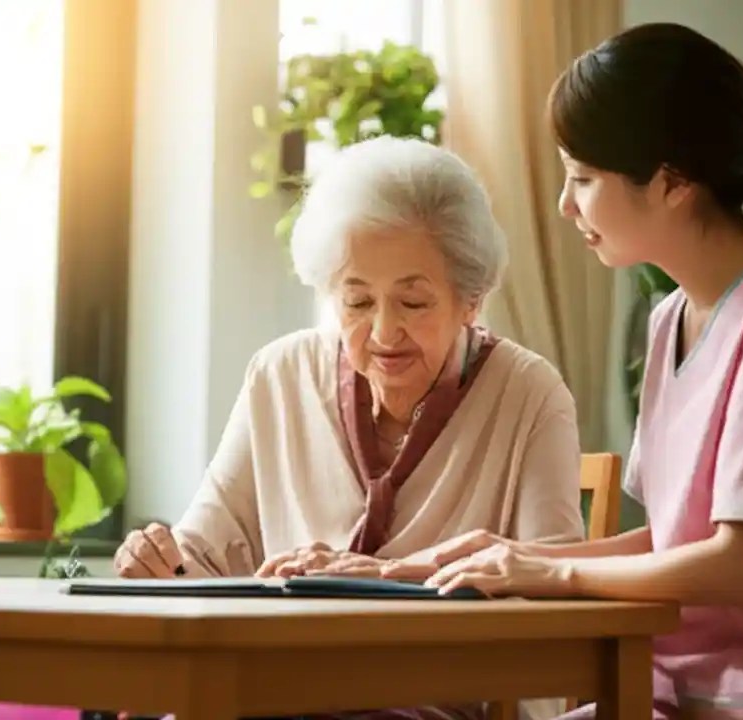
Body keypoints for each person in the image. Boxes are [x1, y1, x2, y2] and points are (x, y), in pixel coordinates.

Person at [381, 23, 743, 720]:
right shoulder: (670, 320)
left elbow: (740, 567)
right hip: (668, 692)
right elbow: (674, 540)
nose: (567, 205)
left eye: (583, 178)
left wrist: (549, 571)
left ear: (672, 181)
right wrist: (501, 555)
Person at [113, 135, 585, 720]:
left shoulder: (530, 395)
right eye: (357, 302)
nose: (384, 333)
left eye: (413, 303)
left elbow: (555, 601)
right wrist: (159, 560)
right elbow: (203, 557)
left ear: (471, 299)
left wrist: (391, 581)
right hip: (274, 697)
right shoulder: (280, 375)